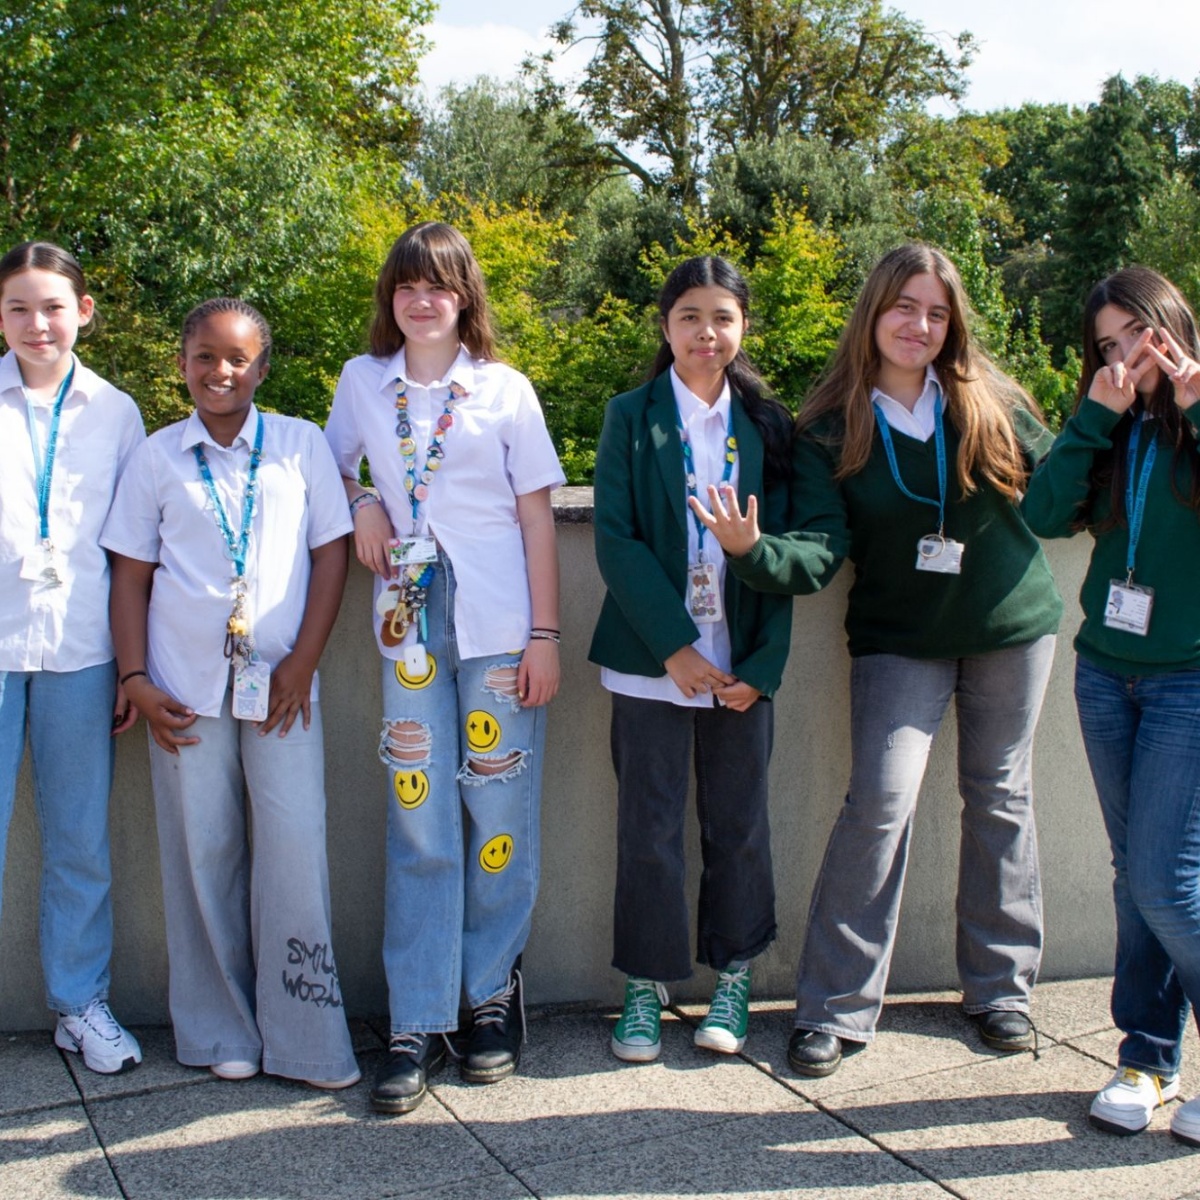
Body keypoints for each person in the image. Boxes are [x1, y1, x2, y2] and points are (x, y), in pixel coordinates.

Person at [693, 242, 1062, 1077]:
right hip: (900, 640)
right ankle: (833, 1008)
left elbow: (1063, 490)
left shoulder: (990, 399)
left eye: (936, 312)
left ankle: (1001, 991)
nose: (920, 325)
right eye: (905, 307)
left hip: (1012, 628)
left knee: (1000, 800)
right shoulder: (830, 425)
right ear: (875, 312)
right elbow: (818, 554)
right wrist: (753, 551)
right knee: (880, 807)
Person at [325, 222, 563, 1114]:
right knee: (419, 814)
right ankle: (416, 1016)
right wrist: (362, 502)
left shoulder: (504, 390)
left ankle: (491, 995)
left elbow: (539, 518)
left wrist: (545, 634)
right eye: (406, 287)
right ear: (391, 299)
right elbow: (330, 460)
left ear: (466, 298)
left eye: (440, 287)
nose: (422, 301)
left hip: (499, 625)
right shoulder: (361, 382)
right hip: (410, 630)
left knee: (496, 807)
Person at [103, 298, 359, 1089]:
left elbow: (332, 556)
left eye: (238, 358)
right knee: (201, 851)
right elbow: (131, 577)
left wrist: (303, 662)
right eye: (204, 357)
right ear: (181, 365)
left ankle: (307, 1037)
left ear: (264, 367)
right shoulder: (155, 459)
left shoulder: (299, 445)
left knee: (294, 848)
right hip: (181, 689)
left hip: (282, 686)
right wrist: (136, 679)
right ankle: (222, 1031)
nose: (221, 372)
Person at [589, 256, 793, 1062]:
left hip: (740, 664)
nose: (706, 333)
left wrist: (765, 669)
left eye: (723, 318)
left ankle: (735, 976)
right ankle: (645, 987)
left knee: (739, 824)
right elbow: (615, 538)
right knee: (648, 827)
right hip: (651, 661)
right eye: (689, 318)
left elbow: (790, 554)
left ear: (744, 327)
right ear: (665, 326)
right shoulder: (629, 417)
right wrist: (673, 645)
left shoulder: (772, 426)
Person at [1022, 266, 1200, 1149]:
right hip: (1107, 673)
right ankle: (1146, 1055)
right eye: (1108, 343)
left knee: (1169, 882)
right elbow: (1044, 512)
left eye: (1139, 331)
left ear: (1171, 323)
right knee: (1136, 877)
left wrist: (1197, 402)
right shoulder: (1109, 424)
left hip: (1190, 680)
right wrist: (1097, 412)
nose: (1128, 353)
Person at [0, 242, 144, 1074]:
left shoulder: (115, 413)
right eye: (19, 308)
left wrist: (132, 666)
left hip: (82, 650)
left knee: (80, 840)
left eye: (52, 306)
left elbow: (132, 555)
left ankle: (78, 1002)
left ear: (83, 312)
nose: (37, 323)